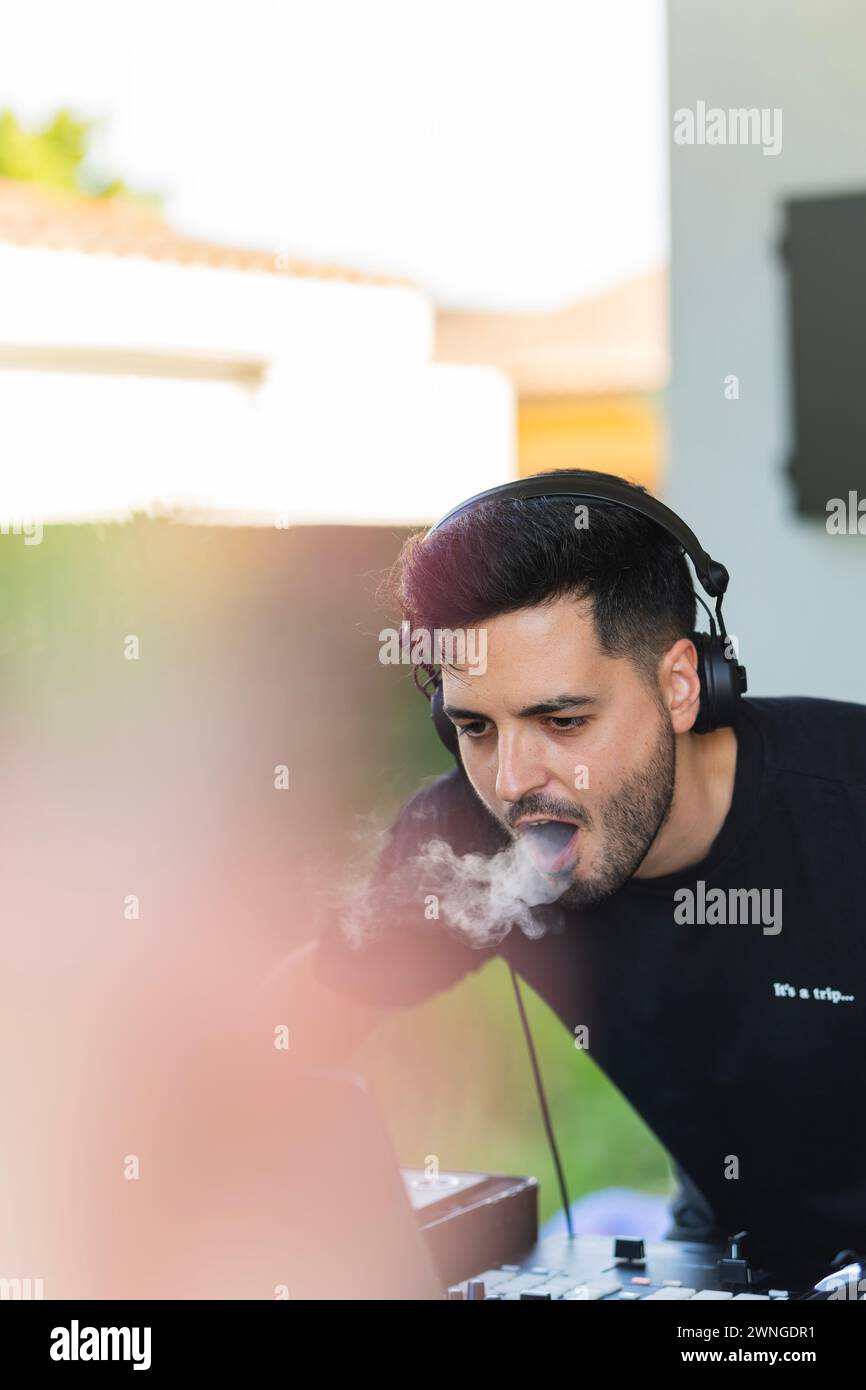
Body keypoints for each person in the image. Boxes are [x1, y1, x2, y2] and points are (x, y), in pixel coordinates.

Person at [268, 469, 866, 1269]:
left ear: (682, 685)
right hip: (736, 1254)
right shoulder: (466, 836)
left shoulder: (845, 807)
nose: (512, 781)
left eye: (563, 719)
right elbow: (276, 1038)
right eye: (474, 726)